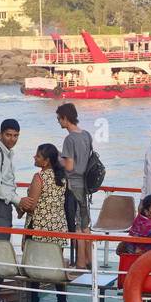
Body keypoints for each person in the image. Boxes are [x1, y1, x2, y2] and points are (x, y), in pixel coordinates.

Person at [18, 143, 71, 302]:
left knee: (35, 265)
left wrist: (19, 207)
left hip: (39, 226)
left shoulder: (39, 177)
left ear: (46, 161)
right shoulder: (62, 177)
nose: (34, 157)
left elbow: (31, 205)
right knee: (56, 263)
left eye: (38, 156)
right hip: (58, 226)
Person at [56, 102, 94, 271]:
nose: (58, 122)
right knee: (86, 225)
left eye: (59, 119)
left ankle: (79, 263)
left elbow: (69, 166)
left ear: (66, 118)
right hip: (85, 184)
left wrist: (57, 158)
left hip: (74, 185)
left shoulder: (69, 139)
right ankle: (89, 260)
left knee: (78, 225)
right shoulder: (86, 135)